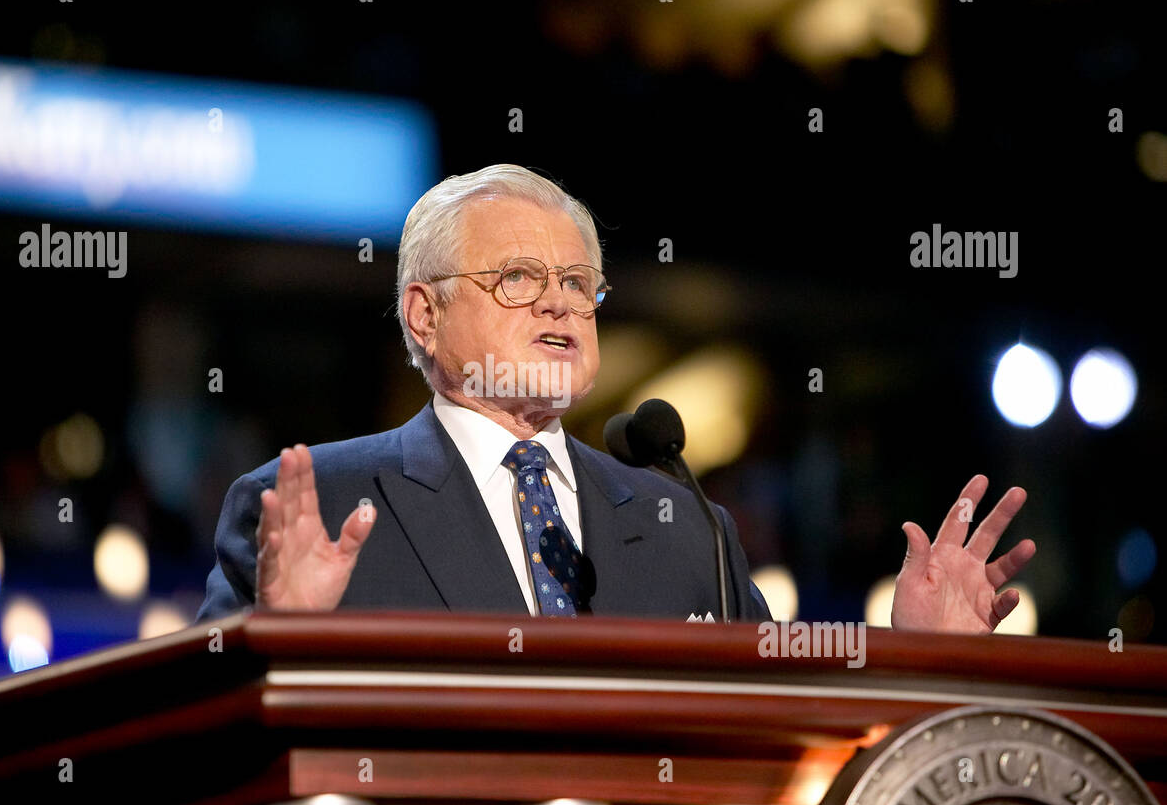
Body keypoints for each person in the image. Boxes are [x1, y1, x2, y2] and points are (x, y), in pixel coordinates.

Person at [198, 164, 1036, 631]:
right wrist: (276, 638)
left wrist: (909, 652)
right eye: (520, 279)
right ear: (425, 312)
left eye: (579, 283)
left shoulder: (688, 529)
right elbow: (195, 746)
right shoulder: (310, 505)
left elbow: (778, 733)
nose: (563, 303)